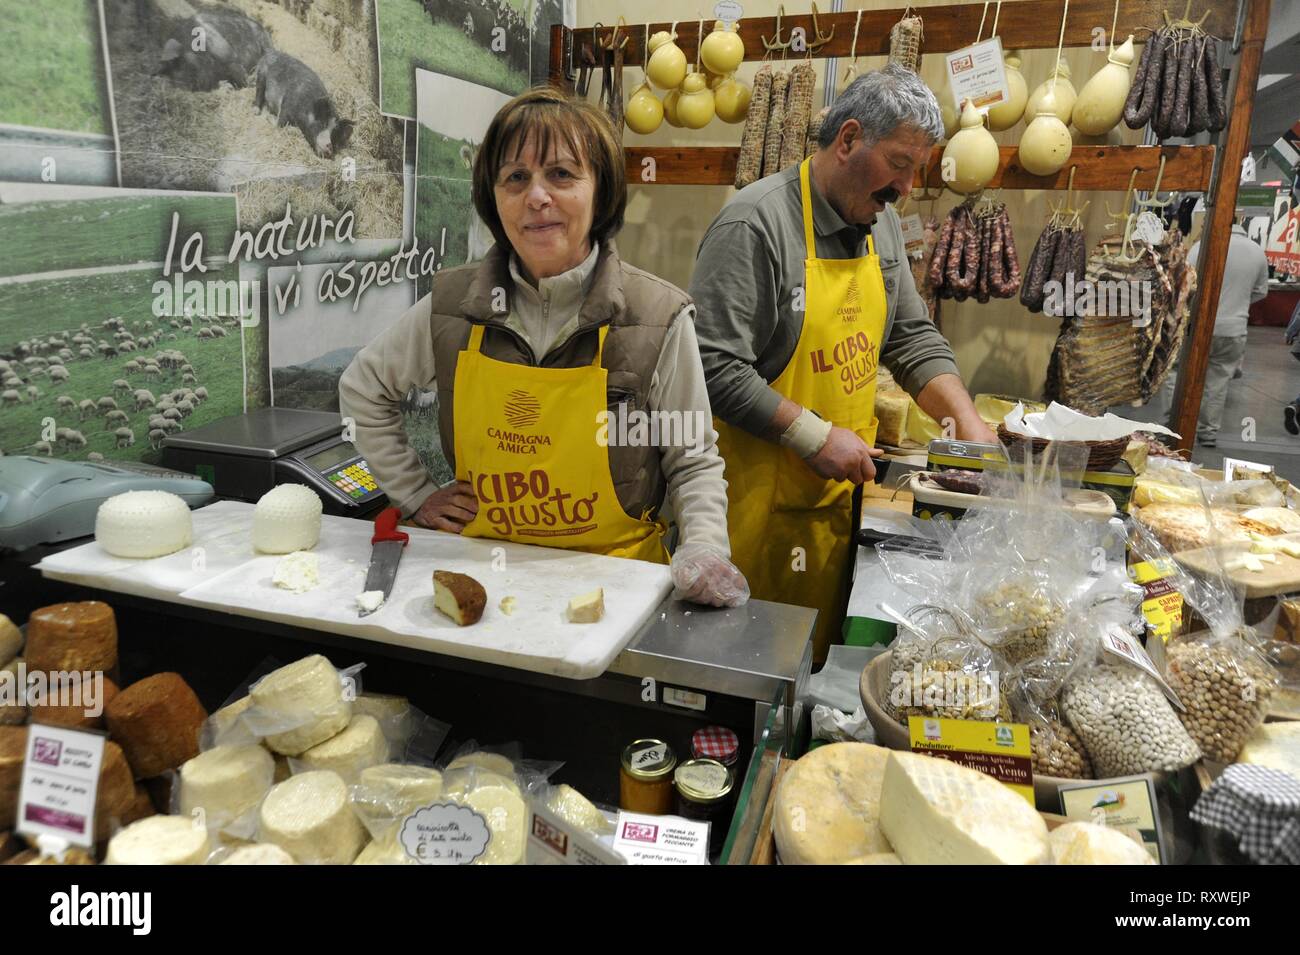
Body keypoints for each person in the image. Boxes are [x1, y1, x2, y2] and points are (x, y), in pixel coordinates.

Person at [340, 88, 747, 607]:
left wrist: (706, 547)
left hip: (615, 589)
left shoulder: (658, 317)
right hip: (481, 582)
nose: (537, 197)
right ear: (495, 197)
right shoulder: (451, 307)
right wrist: (416, 493)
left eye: (561, 174)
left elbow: (692, 458)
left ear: (600, 191)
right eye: (516, 178)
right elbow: (362, 389)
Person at [689, 65, 995, 659]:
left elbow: (910, 339)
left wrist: (969, 432)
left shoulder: (876, 226)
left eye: (918, 170)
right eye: (900, 165)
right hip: (753, 510)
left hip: (834, 506)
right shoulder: (755, 224)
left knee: (815, 670)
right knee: (746, 669)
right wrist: (812, 435)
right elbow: (712, 367)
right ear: (849, 139)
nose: (906, 188)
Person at [1162, 216, 1269, 446]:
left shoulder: (1202, 246)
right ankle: (1208, 433)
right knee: (1219, 380)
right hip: (1234, 328)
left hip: (1197, 326)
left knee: (1176, 372)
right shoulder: (1257, 251)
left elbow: (1185, 285)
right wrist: (1238, 303)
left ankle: (1170, 426)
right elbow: (1261, 292)